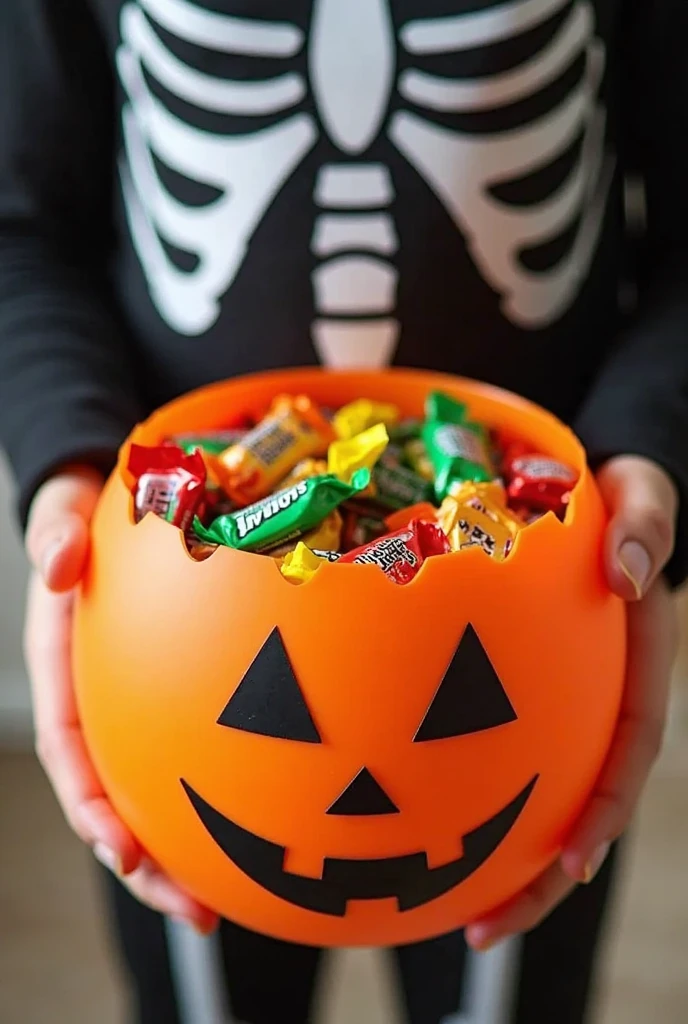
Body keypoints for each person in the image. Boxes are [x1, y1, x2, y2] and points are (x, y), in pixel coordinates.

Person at [0, 1, 685, 1022]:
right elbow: (23, 227)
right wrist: (69, 467)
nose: (358, 790)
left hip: (534, 645)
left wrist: (650, 450)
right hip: (180, 654)